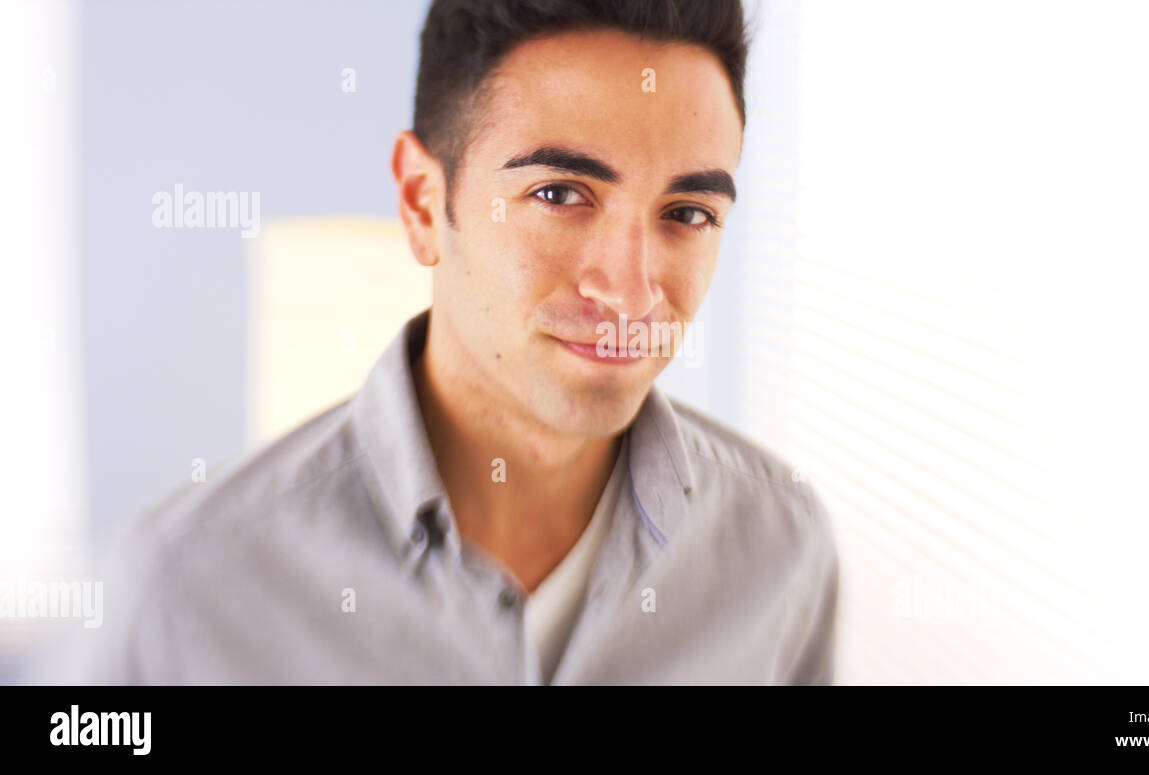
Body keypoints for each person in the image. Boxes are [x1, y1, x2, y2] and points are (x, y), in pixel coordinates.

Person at [80, 0, 839, 685]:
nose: (631, 291)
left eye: (688, 212)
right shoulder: (185, 586)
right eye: (559, 195)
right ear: (421, 201)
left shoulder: (781, 553)